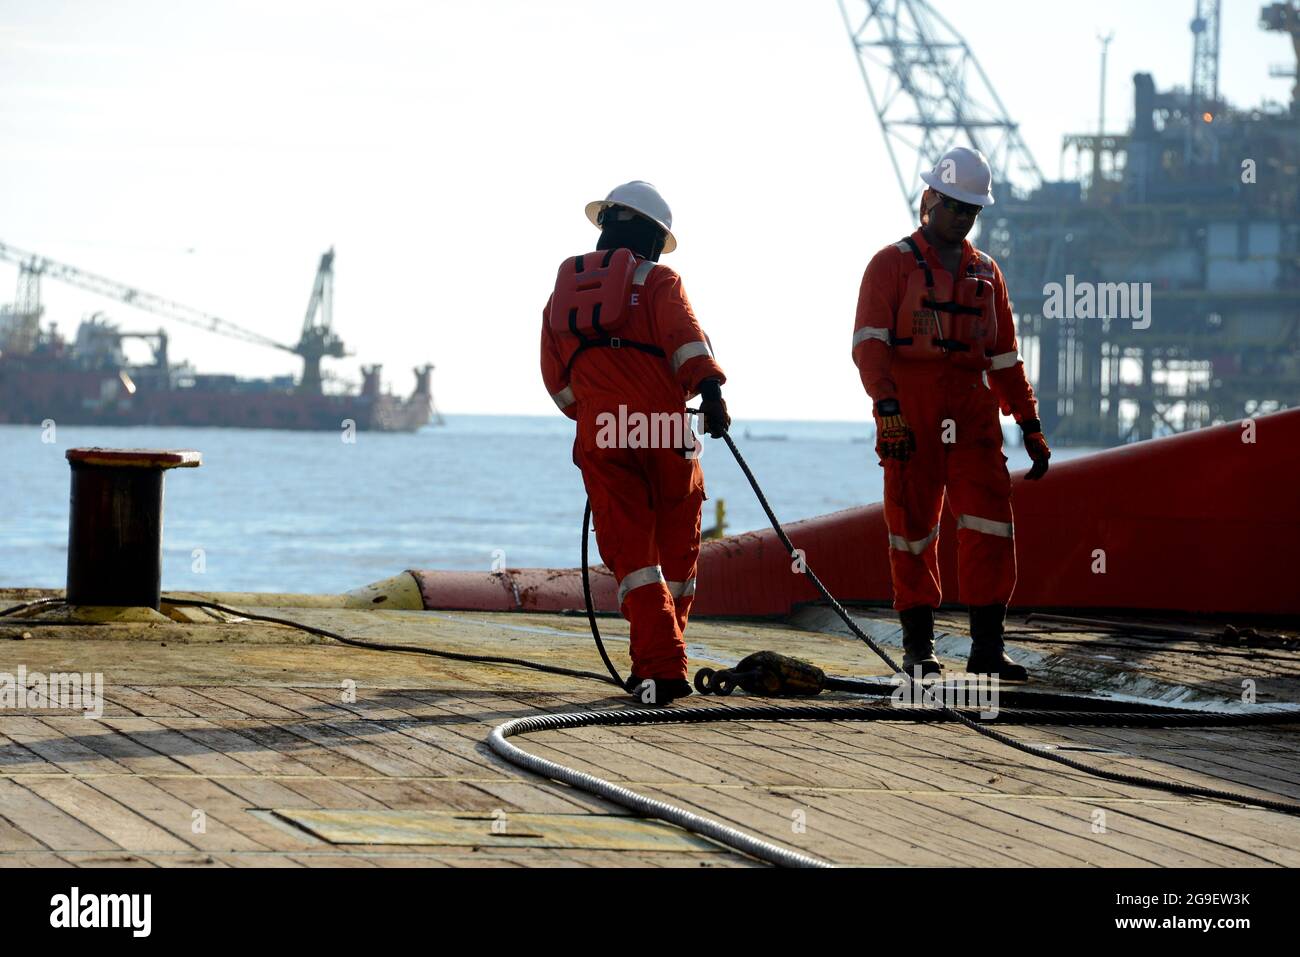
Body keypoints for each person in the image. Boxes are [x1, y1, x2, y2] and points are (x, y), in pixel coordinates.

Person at [851, 147, 1051, 682]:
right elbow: (869, 345)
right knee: (911, 529)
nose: (962, 218)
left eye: (971, 211)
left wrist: (1029, 424)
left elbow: (1006, 358)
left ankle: (988, 648)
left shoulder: (987, 273)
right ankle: (920, 648)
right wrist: (887, 409)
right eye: (955, 206)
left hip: (973, 412)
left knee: (990, 524)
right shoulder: (889, 265)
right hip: (910, 412)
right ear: (930, 199)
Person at [541, 181, 730, 705]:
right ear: (653, 237)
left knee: (634, 558)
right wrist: (711, 397)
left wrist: (599, 415)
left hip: (604, 435)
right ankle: (665, 663)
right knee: (677, 551)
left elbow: (557, 383)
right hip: (667, 434)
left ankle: (658, 666)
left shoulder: (563, 294)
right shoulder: (661, 281)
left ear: (606, 227)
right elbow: (689, 344)